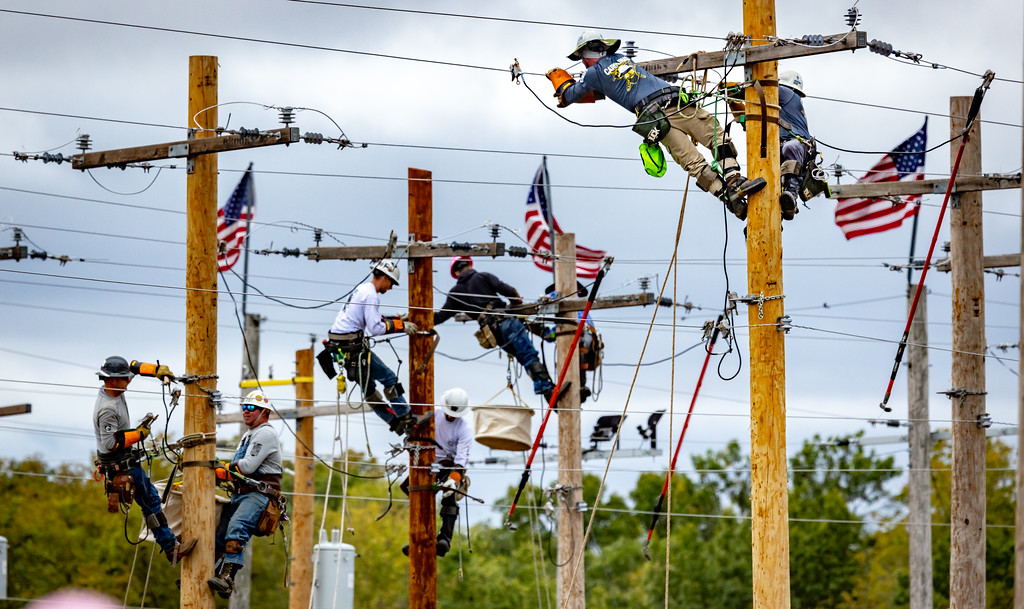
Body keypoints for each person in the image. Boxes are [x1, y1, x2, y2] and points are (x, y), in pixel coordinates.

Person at [550, 29, 766, 220]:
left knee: (693, 163)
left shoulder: (592, 73)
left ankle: (729, 196)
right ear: (603, 48)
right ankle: (734, 182)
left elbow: (569, 95)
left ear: (585, 55)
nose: (582, 61)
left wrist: (560, 78)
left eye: (581, 57)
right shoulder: (622, 58)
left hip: (655, 119)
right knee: (715, 136)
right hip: (674, 103)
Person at [93, 356, 196, 565]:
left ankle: (170, 543)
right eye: (124, 379)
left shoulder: (116, 388)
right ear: (112, 380)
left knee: (151, 500)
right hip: (121, 464)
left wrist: (157, 371)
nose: (129, 380)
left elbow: (133, 367)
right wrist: (139, 434)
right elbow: (109, 443)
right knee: (150, 503)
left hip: (127, 459)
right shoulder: (107, 409)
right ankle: (171, 548)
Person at [434, 256, 561, 403]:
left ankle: (548, 390)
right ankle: (546, 389)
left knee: (524, 359)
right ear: (469, 264)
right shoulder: (483, 276)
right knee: (528, 356)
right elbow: (509, 291)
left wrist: (415, 318)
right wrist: (517, 303)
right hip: (506, 322)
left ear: (455, 273)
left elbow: (439, 317)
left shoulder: (455, 293)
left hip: (494, 335)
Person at [327, 259, 419, 435]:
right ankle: (407, 420)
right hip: (352, 350)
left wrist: (396, 319)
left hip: (339, 350)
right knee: (389, 379)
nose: (390, 288)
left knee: (369, 390)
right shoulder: (371, 295)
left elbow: (372, 318)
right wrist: (401, 326)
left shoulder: (362, 289)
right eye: (391, 283)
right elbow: (375, 328)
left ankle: (394, 422)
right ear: (384, 277)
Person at [208, 389, 284, 598]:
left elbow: (248, 466)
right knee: (218, 536)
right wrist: (222, 474)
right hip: (240, 493)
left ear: (264, 412)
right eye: (244, 407)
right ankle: (206, 576)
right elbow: (238, 468)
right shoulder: (248, 435)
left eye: (251, 408)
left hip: (258, 495)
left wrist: (223, 470)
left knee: (237, 527)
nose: (246, 411)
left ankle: (227, 578)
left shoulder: (266, 433)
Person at [402, 388, 473, 557]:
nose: (451, 417)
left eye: (454, 415)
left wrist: (453, 480)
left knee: (449, 496)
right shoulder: (433, 416)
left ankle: (444, 540)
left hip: (450, 467)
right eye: (449, 413)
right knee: (414, 492)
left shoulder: (465, 430)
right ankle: (419, 537)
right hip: (426, 462)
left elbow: (461, 461)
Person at [778, 70, 811, 221]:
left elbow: (762, 87)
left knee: (789, 148)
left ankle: (791, 193)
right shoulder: (778, 104)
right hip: (779, 145)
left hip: (798, 145)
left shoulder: (787, 94)